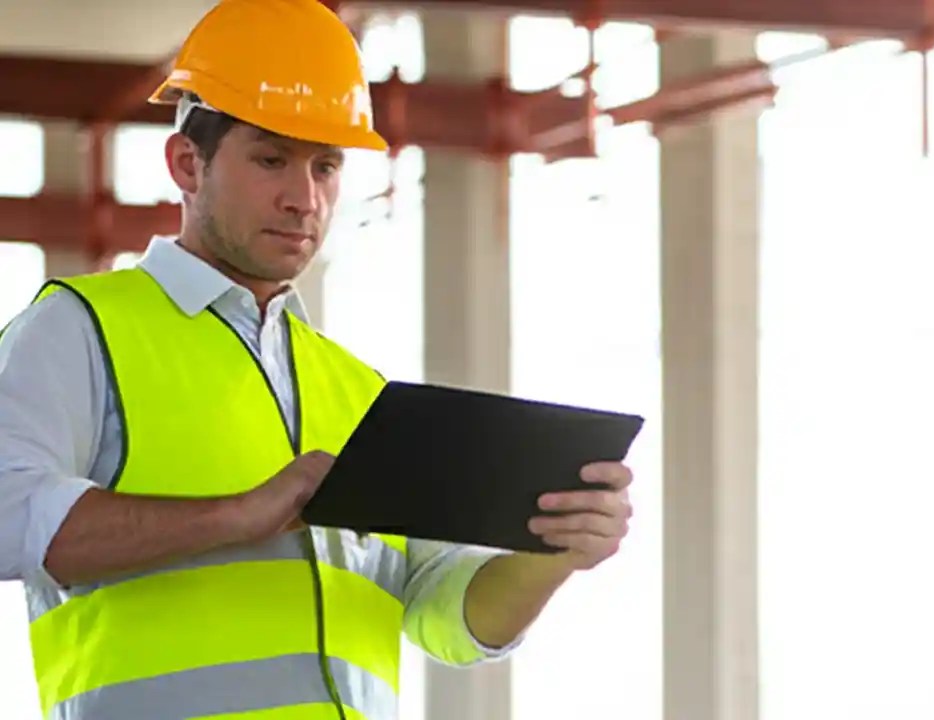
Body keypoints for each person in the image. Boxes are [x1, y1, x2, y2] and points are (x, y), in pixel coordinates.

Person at [0, 1, 635, 718]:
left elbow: (440, 618)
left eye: (326, 167)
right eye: (272, 159)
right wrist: (240, 515)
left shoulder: (355, 388)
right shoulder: (79, 331)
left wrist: (550, 557)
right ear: (187, 163)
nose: (304, 199)